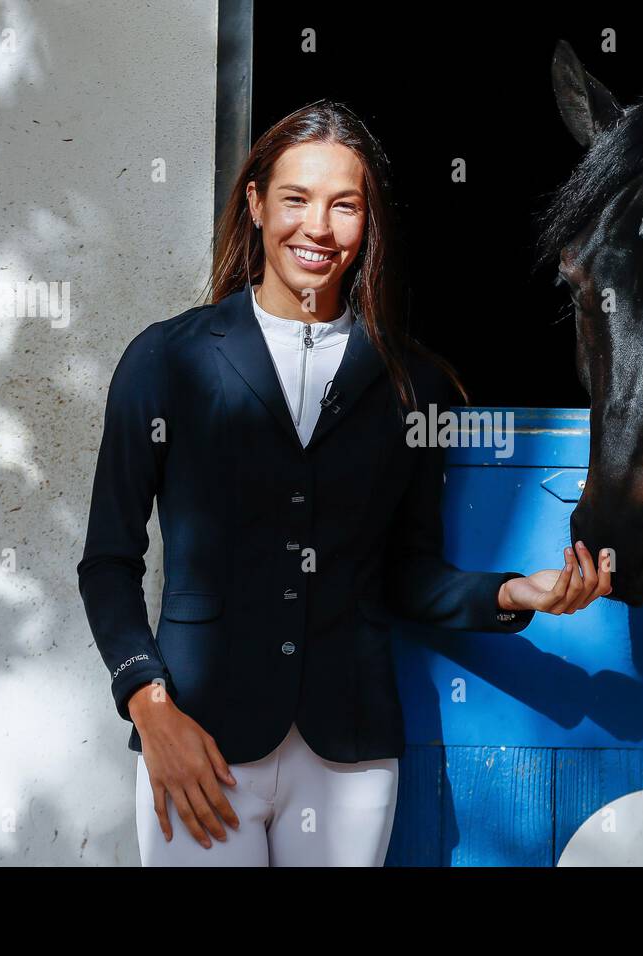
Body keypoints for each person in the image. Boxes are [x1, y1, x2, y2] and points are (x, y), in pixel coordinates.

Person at [76, 99, 611, 867]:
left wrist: (513, 593)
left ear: (370, 223)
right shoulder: (164, 361)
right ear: (256, 204)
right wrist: (151, 708)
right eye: (295, 199)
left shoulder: (412, 383)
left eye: (344, 205)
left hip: (350, 752)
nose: (318, 228)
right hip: (196, 738)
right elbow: (108, 562)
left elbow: (407, 576)